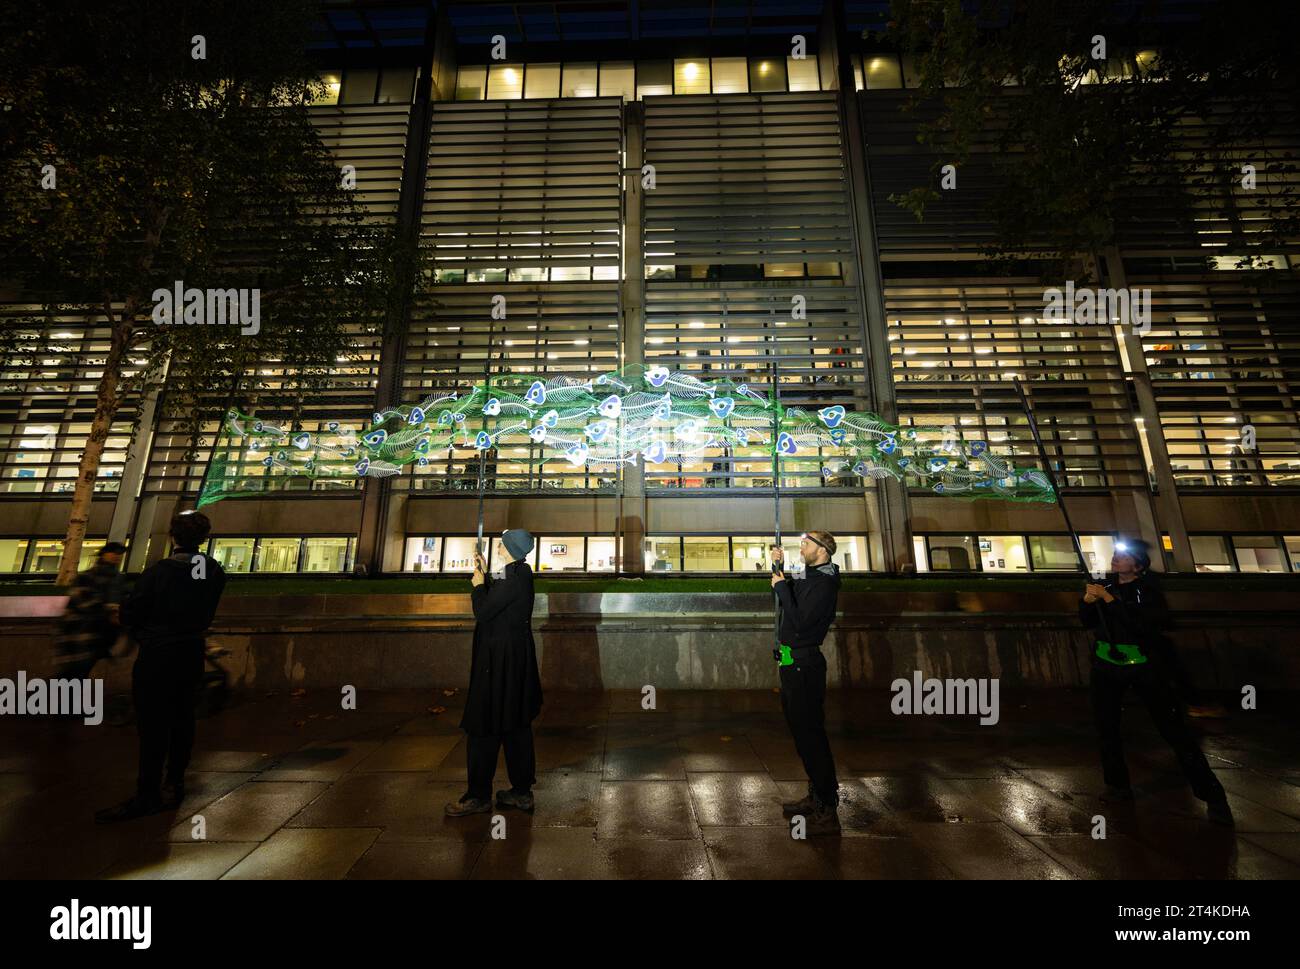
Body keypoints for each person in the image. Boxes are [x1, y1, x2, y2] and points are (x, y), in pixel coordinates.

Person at [1081, 538, 1234, 826]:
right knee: (1106, 729)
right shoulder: (1107, 586)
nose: (1116, 559)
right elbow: (1088, 621)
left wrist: (1110, 600)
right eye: (1116, 555)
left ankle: (1213, 796)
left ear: (1138, 565)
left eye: (1124, 556)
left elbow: (1141, 625)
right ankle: (1117, 785)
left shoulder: (1148, 591)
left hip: (1144, 668)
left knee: (1173, 729)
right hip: (1106, 666)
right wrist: (1087, 603)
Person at [96, 511, 226, 823]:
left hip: (158, 654)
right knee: (183, 719)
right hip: (190, 652)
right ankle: (174, 783)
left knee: (153, 725)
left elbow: (132, 612)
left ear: (172, 536)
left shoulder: (159, 572)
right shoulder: (212, 570)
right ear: (204, 538)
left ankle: (148, 793)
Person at [445, 528, 543, 816]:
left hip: (498, 664)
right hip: (513, 663)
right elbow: (499, 590)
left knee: (483, 725)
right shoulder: (519, 572)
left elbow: (484, 610)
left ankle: (478, 796)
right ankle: (521, 792)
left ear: (510, 550)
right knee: (515, 724)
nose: (498, 548)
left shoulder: (512, 579)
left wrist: (477, 586)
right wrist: (485, 571)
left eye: (501, 545)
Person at [771, 531, 843, 835]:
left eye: (806, 543)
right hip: (792, 664)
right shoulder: (808, 573)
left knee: (811, 736)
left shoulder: (825, 583)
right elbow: (786, 592)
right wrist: (777, 566)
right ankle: (816, 796)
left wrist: (780, 587)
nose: (801, 547)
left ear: (823, 550)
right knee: (802, 735)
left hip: (804, 666)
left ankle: (827, 808)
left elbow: (800, 620)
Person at [55, 541, 127, 682]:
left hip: (97, 635)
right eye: (113, 552)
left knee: (77, 672)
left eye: (120, 554)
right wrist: (110, 610)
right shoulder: (89, 576)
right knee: (75, 672)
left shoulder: (117, 579)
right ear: (103, 554)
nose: (117, 556)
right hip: (82, 632)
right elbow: (83, 602)